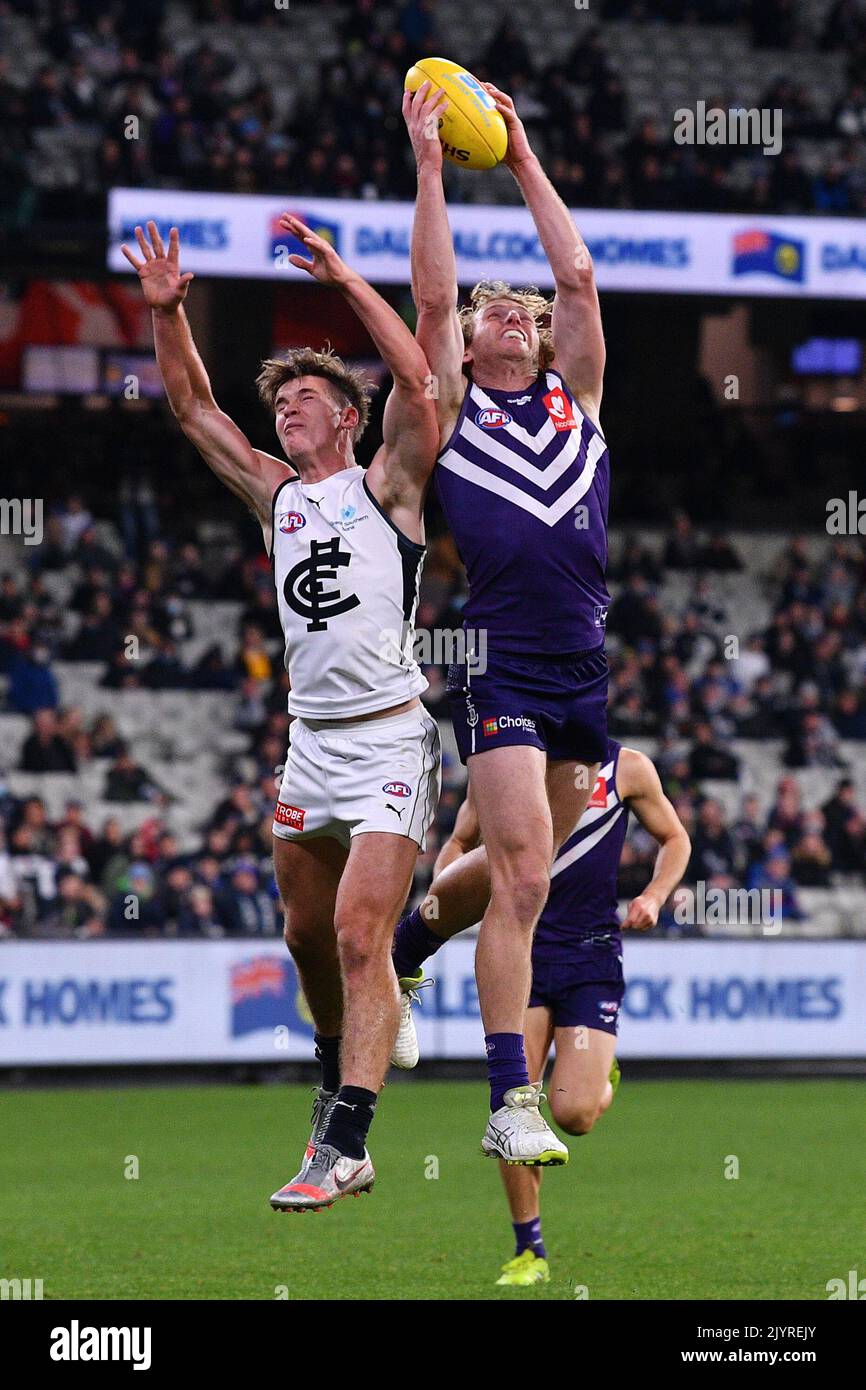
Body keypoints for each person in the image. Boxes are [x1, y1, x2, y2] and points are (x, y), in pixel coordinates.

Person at [122, 217, 441, 1212]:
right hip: (311, 746)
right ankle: (345, 1046)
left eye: (308, 397)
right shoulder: (277, 497)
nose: (290, 409)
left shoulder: (387, 484)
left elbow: (422, 384)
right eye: (284, 401)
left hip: (391, 735)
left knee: (357, 933)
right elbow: (191, 409)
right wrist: (171, 317)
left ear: (350, 415)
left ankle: (343, 1139)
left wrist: (345, 278)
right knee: (306, 937)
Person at [402, 79, 610, 1163]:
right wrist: (434, 167)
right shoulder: (454, 408)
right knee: (525, 876)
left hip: (586, 669)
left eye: (517, 311)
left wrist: (521, 153)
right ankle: (503, 1098)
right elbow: (429, 305)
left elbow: (574, 271)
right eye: (492, 311)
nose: (507, 315)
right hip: (501, 665)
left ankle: (411, 932)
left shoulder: (576, 397)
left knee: (532, 862)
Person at [395, 742, 691, 1285]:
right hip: (522, 951)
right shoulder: (508, 767)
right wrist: (456, 891)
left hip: (592, 954)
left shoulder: (627, 767)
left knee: (574, 1115)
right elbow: (460, 840)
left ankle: (599, 1081)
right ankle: (529, 1247)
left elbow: (675, 837)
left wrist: (654, 894)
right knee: (517, 1098)